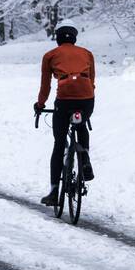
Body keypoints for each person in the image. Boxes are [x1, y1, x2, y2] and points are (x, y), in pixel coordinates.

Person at [33, 19, 95, 206]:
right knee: (81, 124)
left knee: (59, 143)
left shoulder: (50, 55)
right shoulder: (87, 53)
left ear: (58, 38)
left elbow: (46, 85)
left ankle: (53, 192)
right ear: (74, 38)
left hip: (64, 100)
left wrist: (40, 104)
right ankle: (84, 158)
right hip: (86, 98)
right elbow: (91, 80)